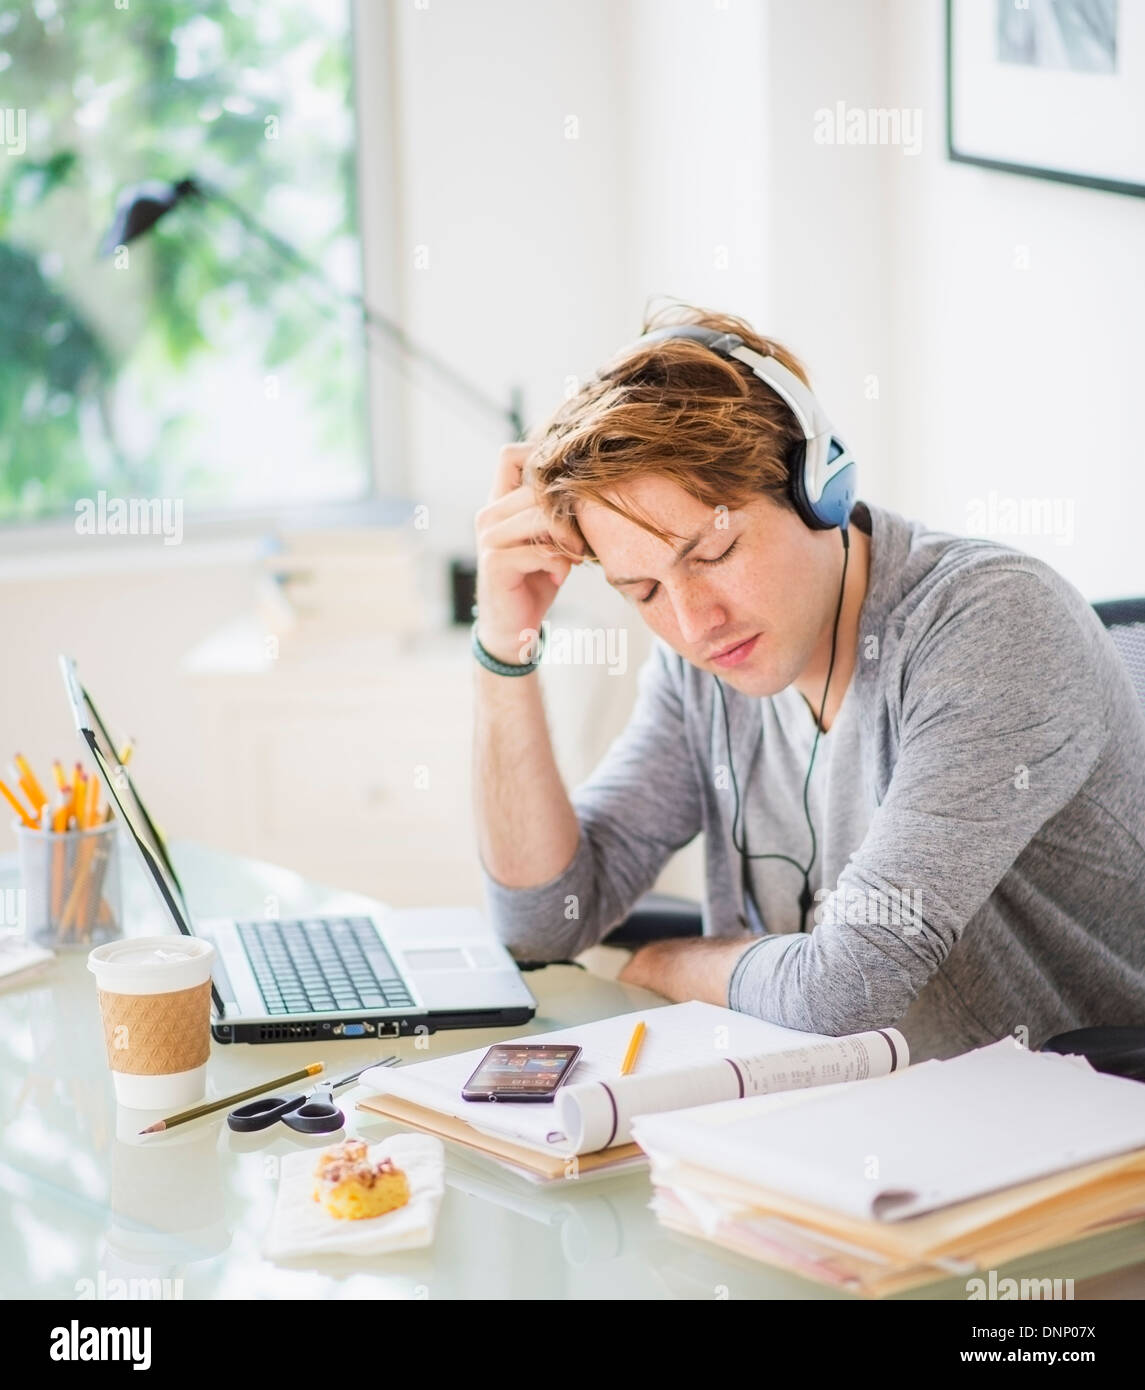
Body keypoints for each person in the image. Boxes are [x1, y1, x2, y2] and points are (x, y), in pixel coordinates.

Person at [471, 304, 1145, 1061]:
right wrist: (504, 642)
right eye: (644, 591)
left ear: (815, 485)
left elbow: (844, 991)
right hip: (832, 1122)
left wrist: (665, 962)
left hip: (1069, 1139)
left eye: (714, 554)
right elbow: (542, 922)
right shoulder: (703, 669)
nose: (695, 623)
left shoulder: (992, 623)